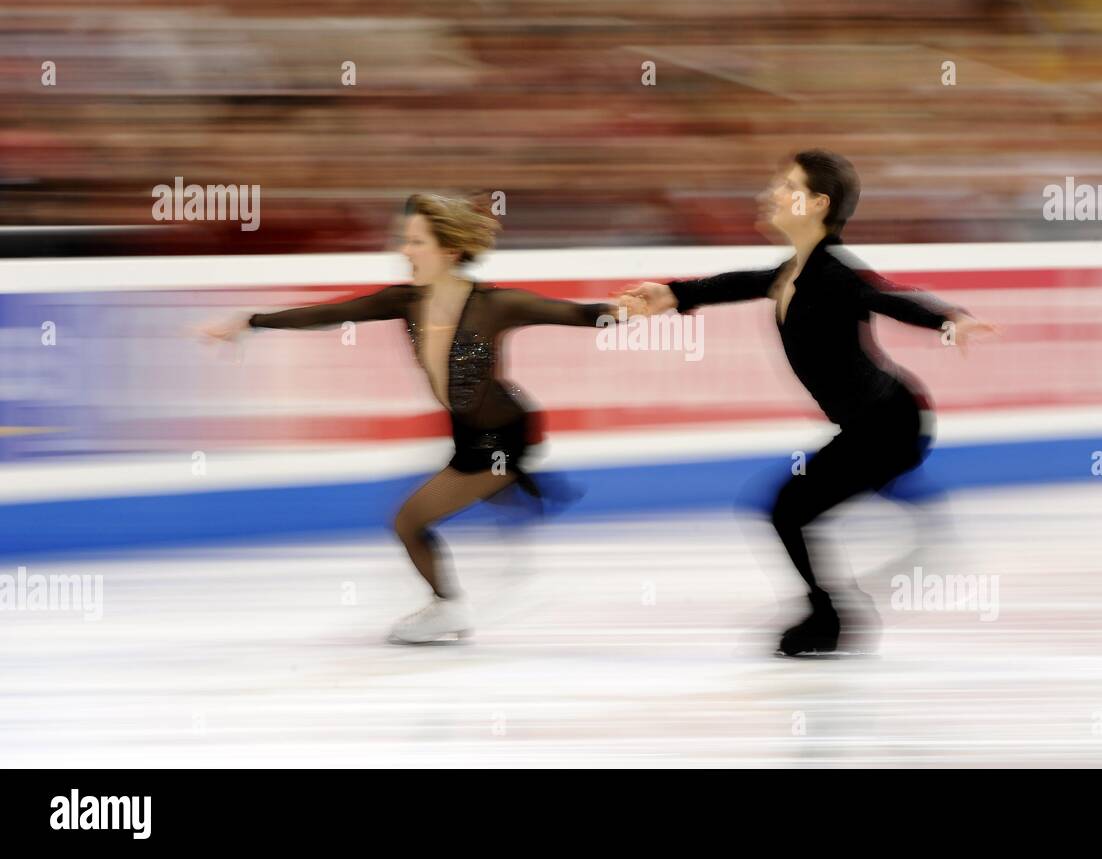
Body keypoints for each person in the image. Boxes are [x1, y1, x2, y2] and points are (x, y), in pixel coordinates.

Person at [201, 194, 645, 644]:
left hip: (503, 431)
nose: (404, 251)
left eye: (416, 242)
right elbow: (330, 314)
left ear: (449, 251)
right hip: (468, 429)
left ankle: (449, 606)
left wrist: (634, 308)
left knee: (409, 522)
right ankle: (515, 497)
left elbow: (579, 315)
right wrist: (251, 321)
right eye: (404, 240)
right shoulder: (406, 302)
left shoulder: (496, 306)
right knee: (462, 498)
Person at [622, 150, 998, 657]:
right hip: (871, 424)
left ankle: (829, 617)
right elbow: (738, 283)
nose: (771, 194)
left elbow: (889, 296)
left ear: (818, 203)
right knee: (798, 505)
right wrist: (671, 295)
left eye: (786, 186)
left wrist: (949, 318)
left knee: (789, 508)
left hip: (890, 423)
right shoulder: (790, 272)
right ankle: (868, 561)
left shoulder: (836, 273)